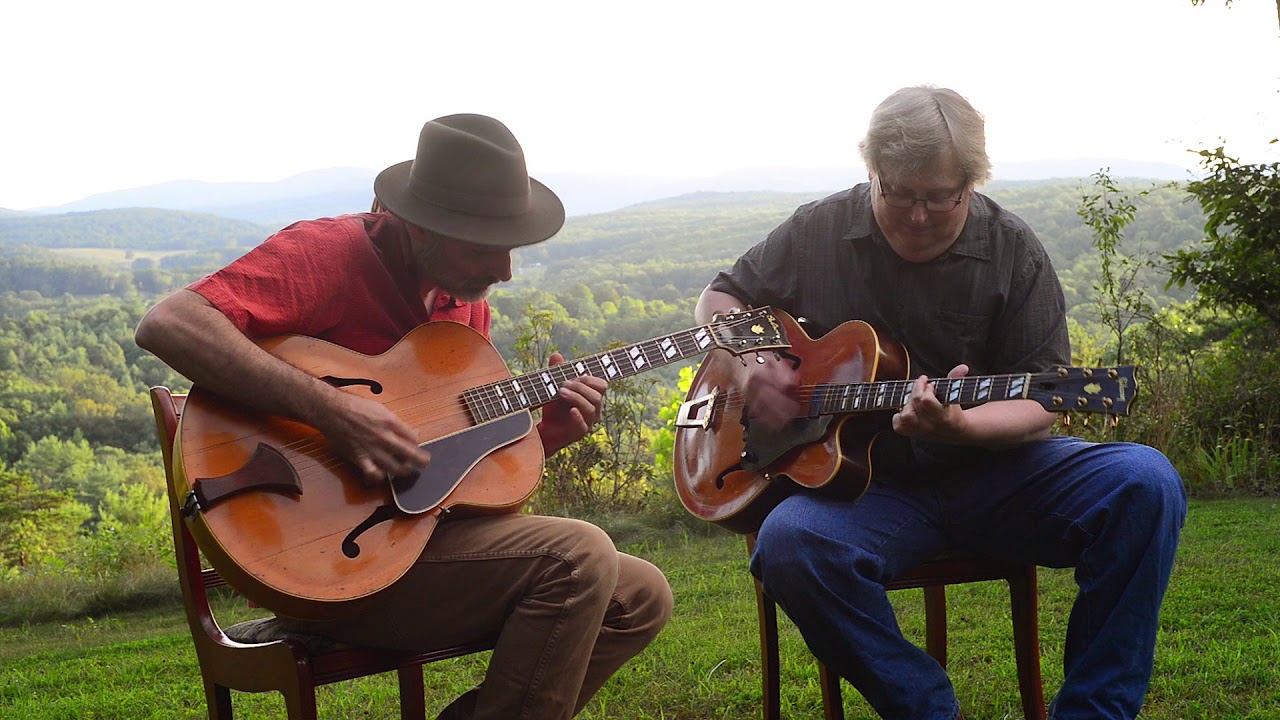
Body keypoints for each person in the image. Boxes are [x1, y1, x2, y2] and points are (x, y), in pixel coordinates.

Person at [135, 113, 673, 720]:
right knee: (579, 556)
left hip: (408, 547)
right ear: (420, 226)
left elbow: (447, 480)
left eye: (510, 249)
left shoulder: (458, 309)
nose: (504, 272)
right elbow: (169, 324)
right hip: (323, 558)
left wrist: (546, 437)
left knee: (641, 596)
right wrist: (334, 411)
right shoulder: (326, 255)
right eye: (484, 249)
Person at [694, 86, 1186, 720]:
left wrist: (964, 428)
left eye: (939, 197)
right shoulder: (818, 229)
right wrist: (753, 361)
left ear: (971, 185)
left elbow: (1045, 399)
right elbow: (720, 298)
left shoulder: (1012, 249)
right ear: (872, 172)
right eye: (899, 193)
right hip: (870, 495)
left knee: (1146, 482)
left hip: (998, 477)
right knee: (789, 545)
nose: (918, 215)